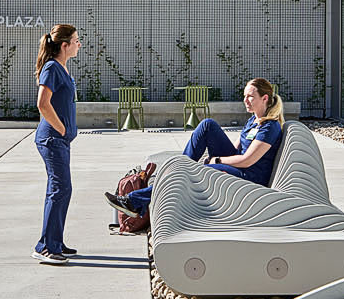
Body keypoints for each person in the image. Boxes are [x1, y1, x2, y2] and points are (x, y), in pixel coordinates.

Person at [104, 77, 284, 217]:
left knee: (197, 171)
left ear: (265, 98)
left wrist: (217, 160)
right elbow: (238, 147)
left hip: (249, 177)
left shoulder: (270, 126)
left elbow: (247, 160)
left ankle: (134, 201)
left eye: (250, 96)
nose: (245, 100)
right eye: (244, 96)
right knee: (207, 125)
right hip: (239, 166)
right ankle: (179, 166)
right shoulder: (255, 119)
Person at [32, 23, 81, 264]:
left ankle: (55, 242)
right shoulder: (52, 68)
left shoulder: (61, 68)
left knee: (62, 189)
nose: (79, 44)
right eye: (76, 40)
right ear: (65, 45)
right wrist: (61, 128)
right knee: (59, 189)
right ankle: (46, 248)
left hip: (61, 140)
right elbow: (43, 103)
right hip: (52, 139)